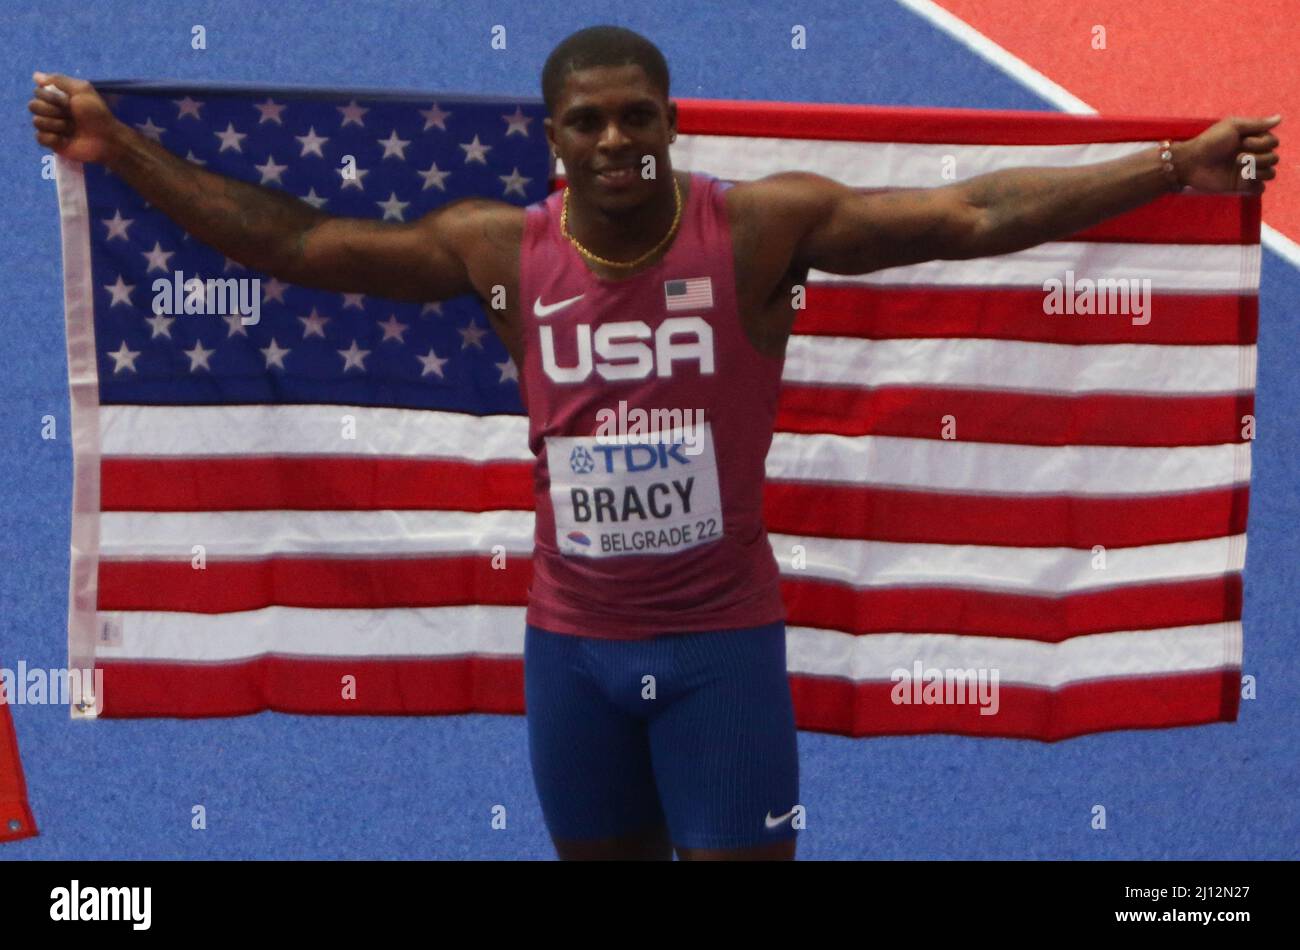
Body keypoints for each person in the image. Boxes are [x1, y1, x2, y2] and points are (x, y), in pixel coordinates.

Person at [30, 25, 1280, 861]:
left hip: (722, 649)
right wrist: (117, 144)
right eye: (589, 123)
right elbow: (294, 245)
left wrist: (1172, 166)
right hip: (569, 650)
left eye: (638, 117)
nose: (616, 141)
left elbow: (965, 213)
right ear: (554, 139)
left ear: (672, 122)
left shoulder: (757, 232)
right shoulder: (494, 249)